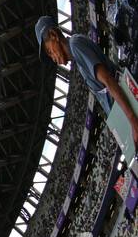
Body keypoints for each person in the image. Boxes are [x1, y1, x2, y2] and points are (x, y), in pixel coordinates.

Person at [35, 16, 138, 156]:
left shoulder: (76, 45)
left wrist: (133, 120)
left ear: (54, 35)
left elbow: (108, 80)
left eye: (49, 51)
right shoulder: (76, 54)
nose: (52, 57)